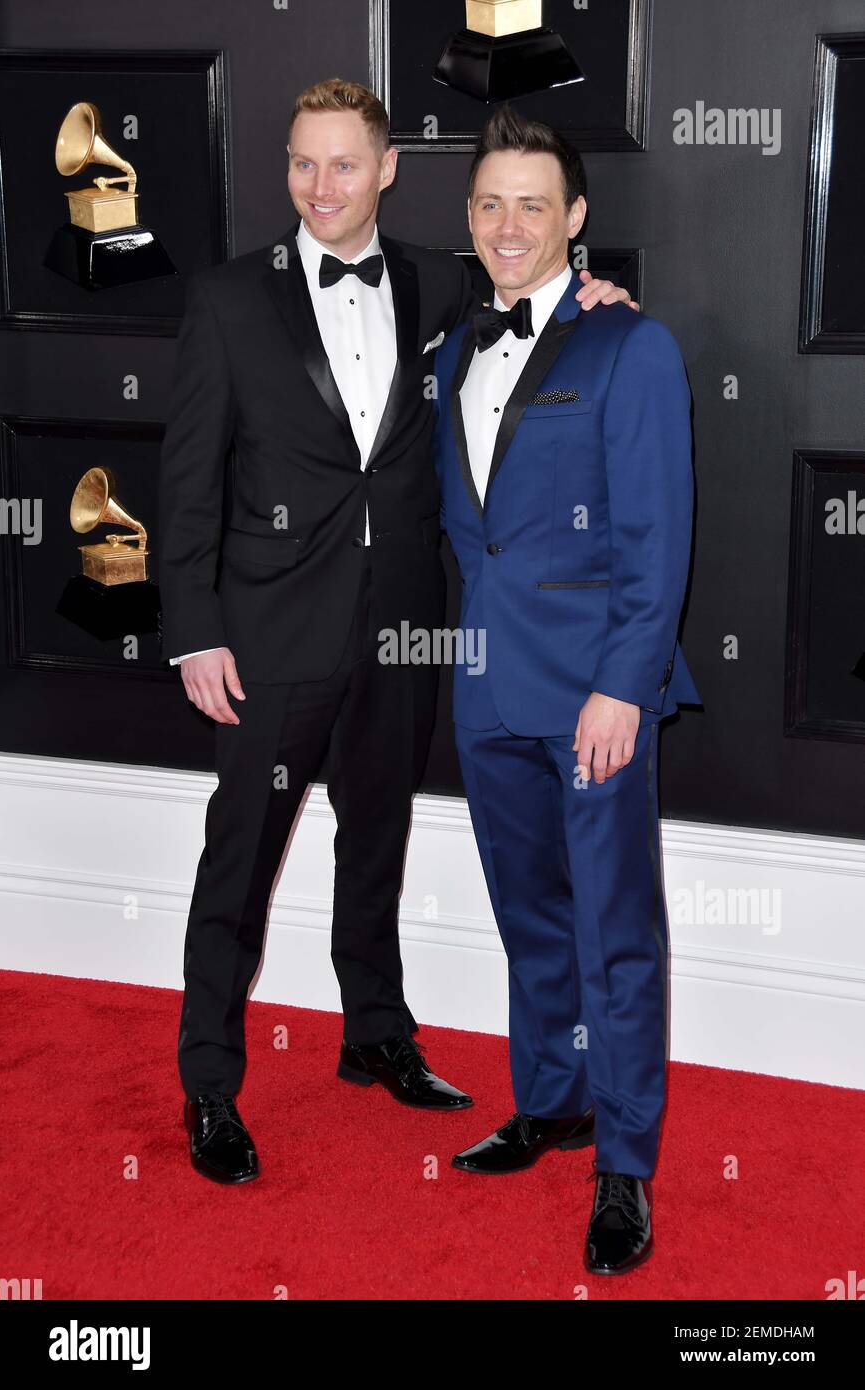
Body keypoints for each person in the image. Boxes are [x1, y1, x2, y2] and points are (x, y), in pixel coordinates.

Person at [158, 78, 635, 1185]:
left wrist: (590, 297)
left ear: (384, 170)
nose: (317, 187)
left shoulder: (436, 282)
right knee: (238, 867)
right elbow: (183, 485)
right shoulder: (230, 299)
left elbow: (529, 320)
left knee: (373, 843)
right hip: (267, 637)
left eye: (340, 164)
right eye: (299, 163)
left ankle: (375, 1031)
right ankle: (209, 1087)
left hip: (404, 633)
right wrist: (193, 631)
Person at [434, 105, 700, 1274]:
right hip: (486, 686)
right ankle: (553, 1100)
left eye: (530, 204)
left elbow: (655, 539)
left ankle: (625, 1167)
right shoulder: (453, 349)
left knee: (614, 930)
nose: (506, 224)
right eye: (489, 202)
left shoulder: (628, 346)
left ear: (574, 219)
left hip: (594, 694)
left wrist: (623, 690)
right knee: (528, 916)